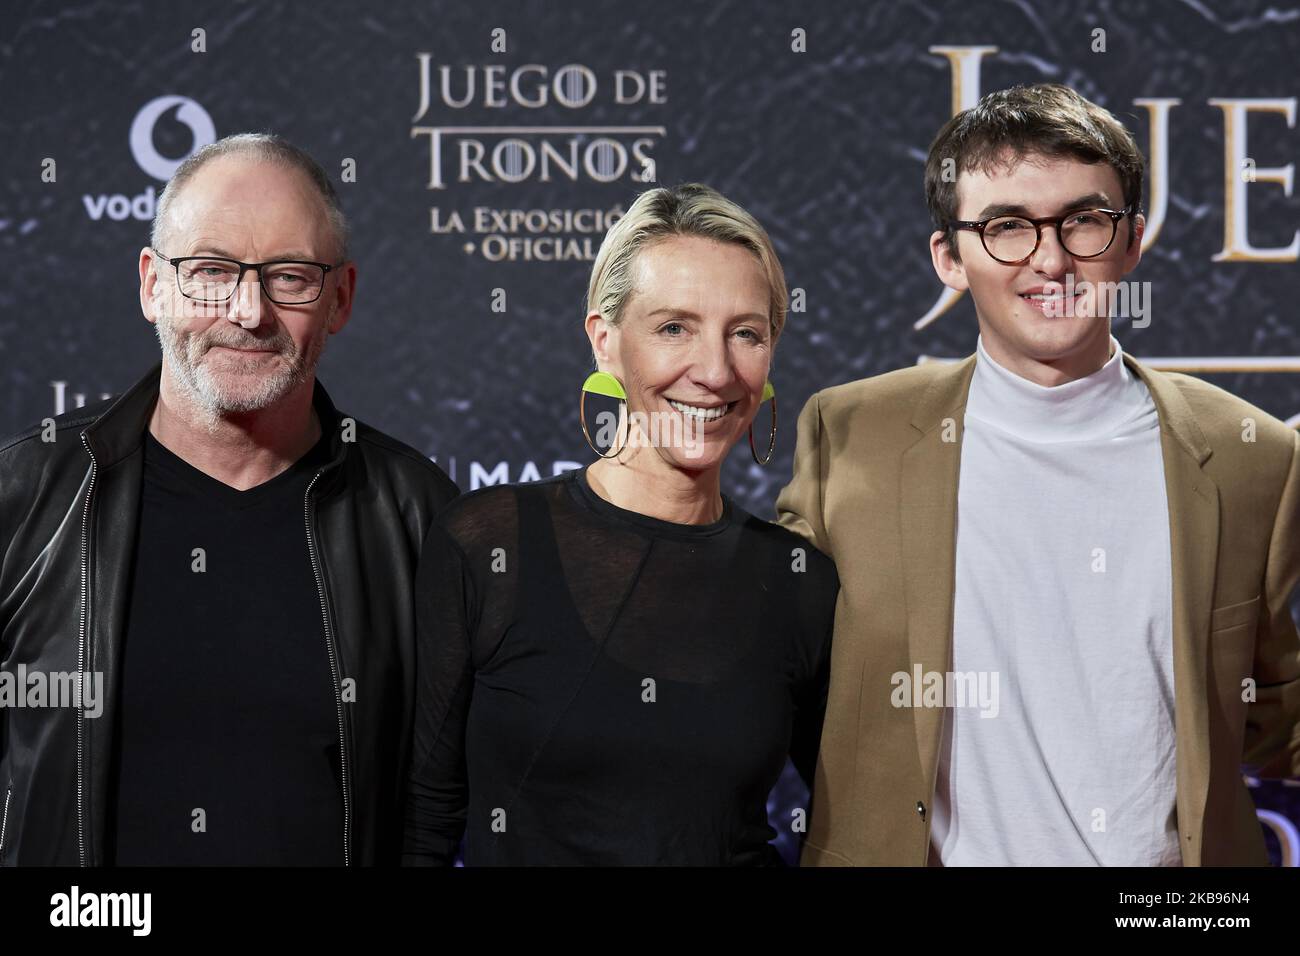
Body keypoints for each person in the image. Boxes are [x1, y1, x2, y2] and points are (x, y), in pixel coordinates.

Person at [777, 83, 1300, 866]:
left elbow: (1277, 714)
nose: (1051, 259)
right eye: (1007, 227)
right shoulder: (851, 435)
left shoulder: (1251, 453)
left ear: (1130, 241)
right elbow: (771, 677)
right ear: (949, 259)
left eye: (1084, 220)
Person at [0, 133, 458, 866]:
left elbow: (436, 811)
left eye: (289, 277)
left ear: (339, 298)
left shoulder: (418, 517)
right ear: (153, 284)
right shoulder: (24, 499)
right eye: (210, 271)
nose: (248, 311)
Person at [403, 183, 838, 865]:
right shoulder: (488, 545)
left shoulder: (799, 580)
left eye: (746, 333)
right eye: (674, 328)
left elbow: (853, 818)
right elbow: (423, 822)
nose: (716, 370)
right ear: (606, 343)